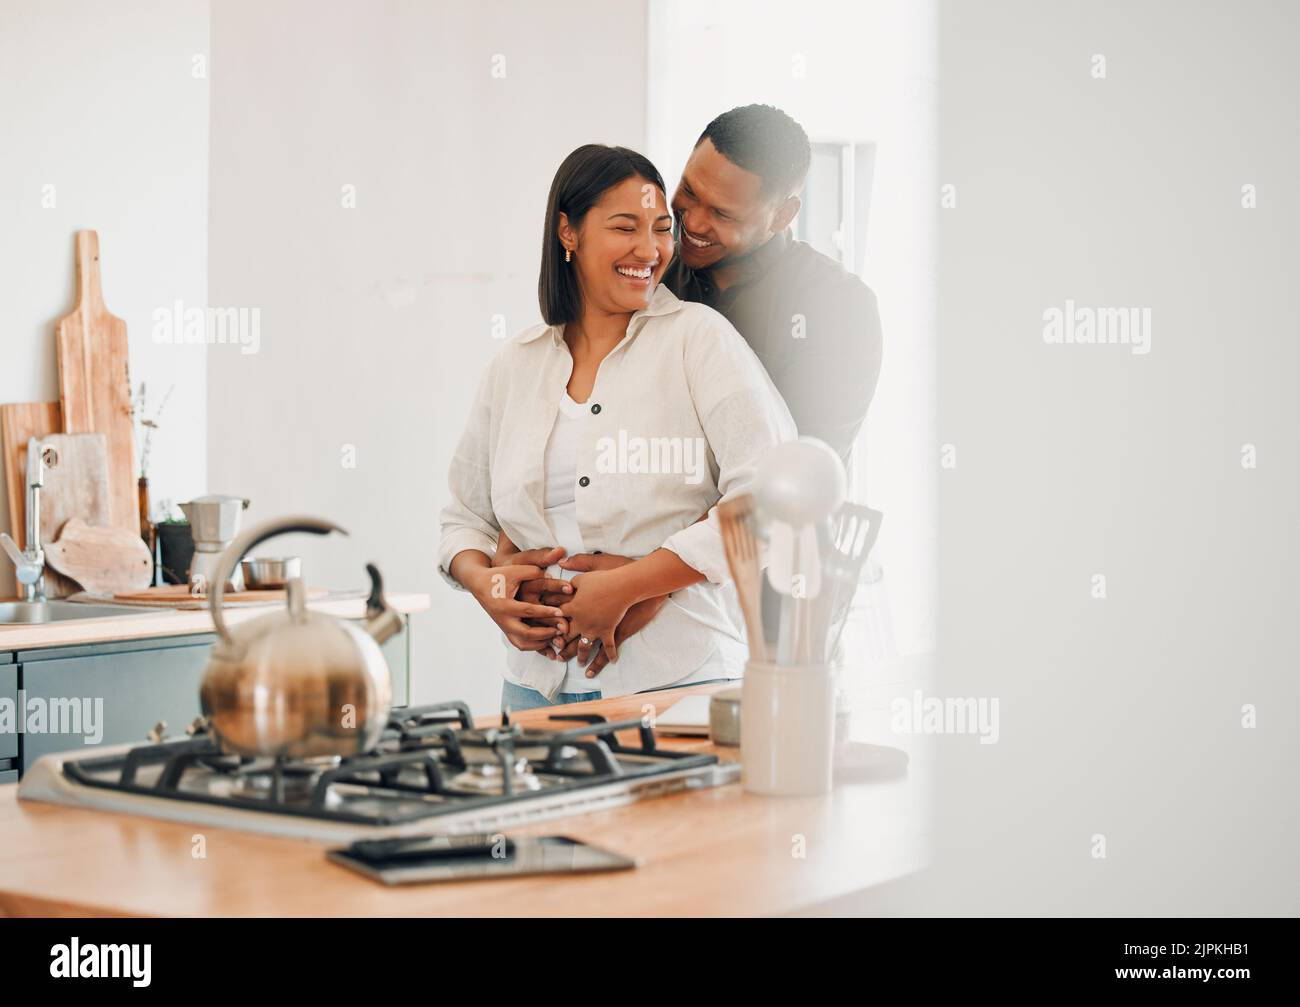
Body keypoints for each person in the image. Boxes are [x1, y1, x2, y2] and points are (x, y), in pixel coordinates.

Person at [437, 144, 795, 711]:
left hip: (674, 681)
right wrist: (487, 585)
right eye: (625, 227)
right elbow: (464, 518)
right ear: (568, 232)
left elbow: (774, 498)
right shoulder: (516, 364)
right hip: (534, 689)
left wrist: (630, 586)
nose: (650, 251)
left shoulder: (698, 340)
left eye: (660, 228)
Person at [665, 103, 882, 470]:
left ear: (782, 216)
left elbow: (795, 473)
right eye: (689, 190)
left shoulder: (840, 308)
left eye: (722, 213)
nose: (695, 222)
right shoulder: (652, 276)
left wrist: (685, 530)